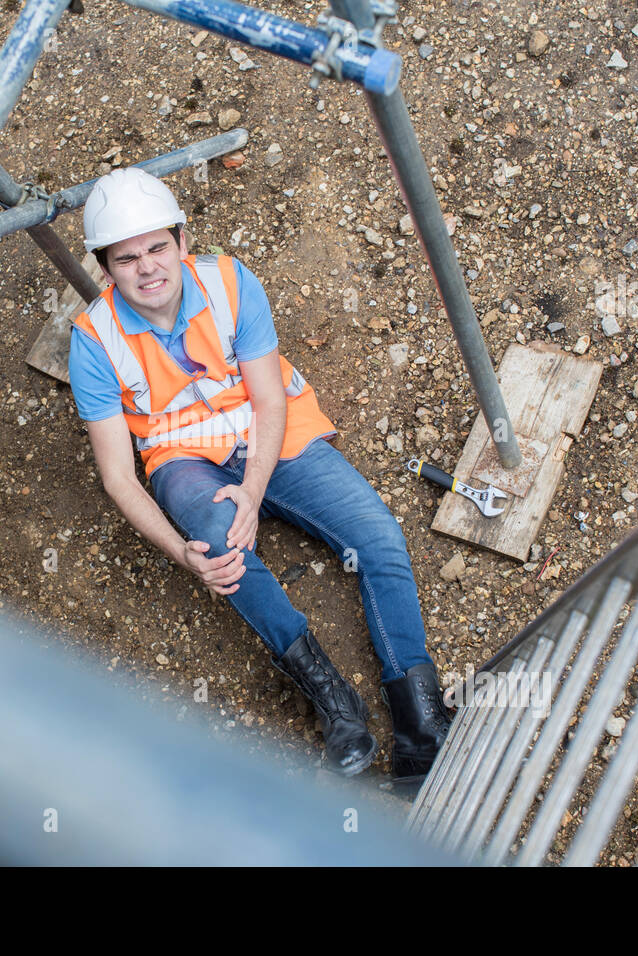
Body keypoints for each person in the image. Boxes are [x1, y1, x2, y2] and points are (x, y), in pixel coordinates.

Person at [68, 166, 450, 791]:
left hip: (272, 433)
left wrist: (252, 489)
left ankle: (420, 730)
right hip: (184, 458)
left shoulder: (229, 283)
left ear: (182, 242)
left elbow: (270, 402)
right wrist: (181, 554)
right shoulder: (94, 340)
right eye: (126, 258)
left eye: (158, 247)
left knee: (377, 538)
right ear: (107, 269)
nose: (147, 268)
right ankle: (336, 705)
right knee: (222, 553)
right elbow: (118, 477)